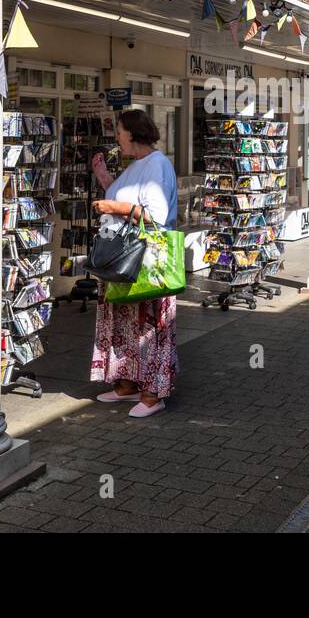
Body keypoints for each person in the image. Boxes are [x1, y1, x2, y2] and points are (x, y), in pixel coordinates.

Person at [89, 109, 179, 418]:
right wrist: (104, 179)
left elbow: (155, 215)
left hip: (146, 260)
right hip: (125, 258)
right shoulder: (138, 165)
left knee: (149, 327)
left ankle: (153, 393)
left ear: (132, 133)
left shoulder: (158, 165)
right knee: (126, 322)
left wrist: (114, 205)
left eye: (119, 131)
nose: (116, 137)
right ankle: (127, 383)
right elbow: (125, 197)